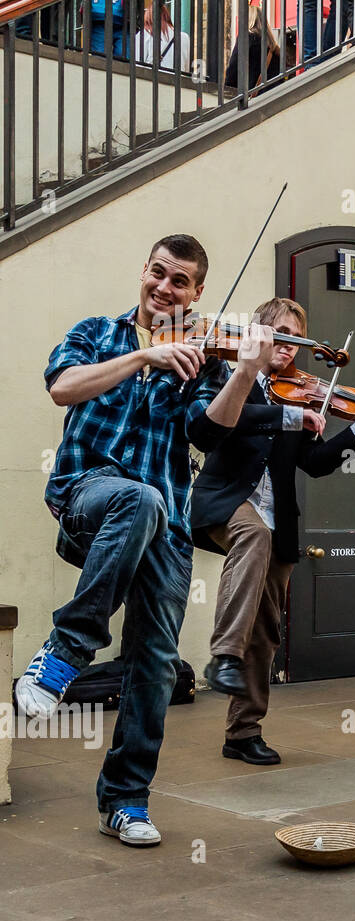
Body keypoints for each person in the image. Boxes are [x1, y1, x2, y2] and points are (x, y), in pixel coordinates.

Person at [13, 235, 275, 847]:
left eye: (180, 281)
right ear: (144, 271)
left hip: (166, 527)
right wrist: (141, 360)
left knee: (155, 667)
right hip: (90, 495)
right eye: (159, 273)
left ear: (197, 293)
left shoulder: (204, 356)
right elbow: (63, 387)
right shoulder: (98, 333)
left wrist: (244, 371)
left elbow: (209, 433)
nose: (165, 288)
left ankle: (125, 800)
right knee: (139, 497)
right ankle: (68, 651)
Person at [190, 297, 355, 765]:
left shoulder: (297, 392)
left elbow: (316, 463)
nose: (289, 345)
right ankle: (223, 655)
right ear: (260, 334)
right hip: (226, 503)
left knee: (266, 632)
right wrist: (292, 416)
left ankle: (242, 733)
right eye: (281, 332)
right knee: (252, 535)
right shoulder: (230, 376)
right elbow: (226, 424)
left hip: (278, 517)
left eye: (297, 336)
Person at [134, 1, 192, 74]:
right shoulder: (184, 37)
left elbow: (137, 67)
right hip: (177, 81)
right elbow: (186, 69)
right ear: (167, 16)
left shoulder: (143, 35)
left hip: (153, 81)